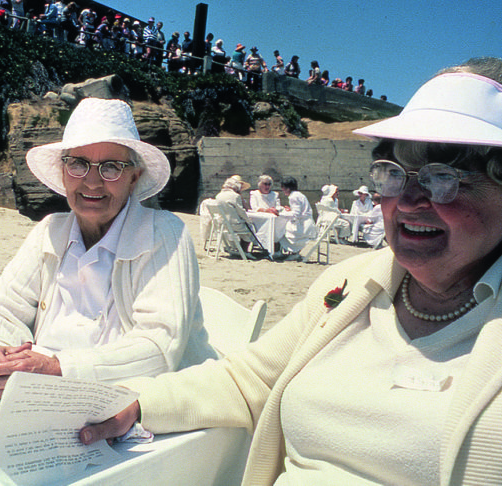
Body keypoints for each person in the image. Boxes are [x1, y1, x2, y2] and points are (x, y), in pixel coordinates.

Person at [81, 57, 502, 485]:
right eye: (393, 175)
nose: (409, 201)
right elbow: (249, 379)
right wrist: (137, 402)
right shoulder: (353, 283)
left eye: (442, 178)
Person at [0, 98, 217, 398]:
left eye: (111, 167)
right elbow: (2, 308)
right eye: (78, 165)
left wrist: (57, 369)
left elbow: (159, 346)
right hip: (46, 398)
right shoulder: (49, 230)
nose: (92, 182)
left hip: (147, 407)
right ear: (63, 172)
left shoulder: (163, 234)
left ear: (133, 178)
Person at [278, 176, 317, 255]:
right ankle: (291, 253)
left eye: (283, 188)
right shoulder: (299, 194)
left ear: (288, 188)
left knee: (280, 231)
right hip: (308, 224)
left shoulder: (293, 197)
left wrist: (279, 214)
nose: (282, 190)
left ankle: (288, 252)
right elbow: (300, 210)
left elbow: (296, 214)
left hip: (303, 227)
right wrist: (290, 210)